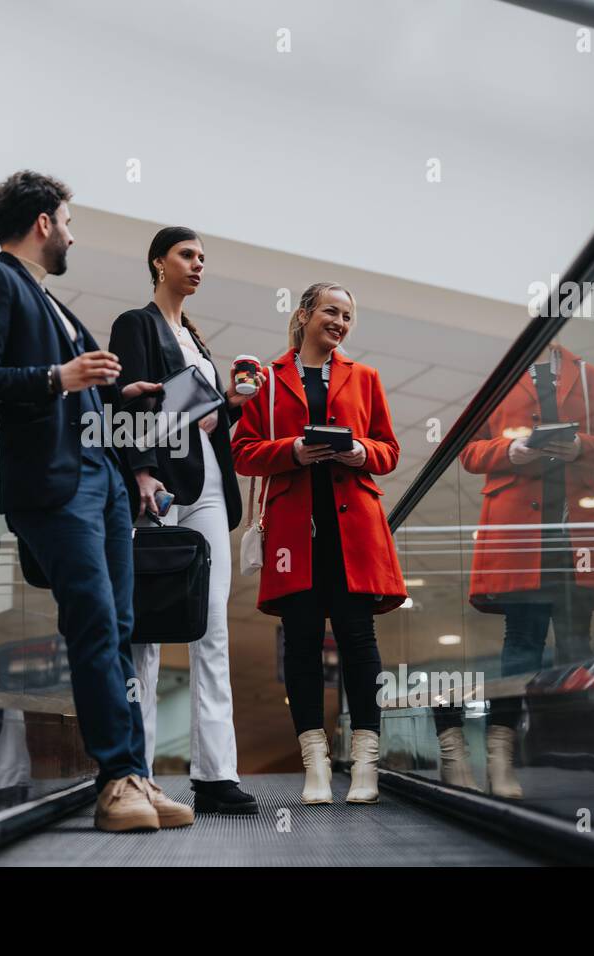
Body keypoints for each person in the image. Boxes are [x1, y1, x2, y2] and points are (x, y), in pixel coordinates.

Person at [0, 170, 193, 832]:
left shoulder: (55, 305)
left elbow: (80, 392)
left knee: (115, 626)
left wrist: (122, 395)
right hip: (55, 485)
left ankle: (131, 772)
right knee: (91, 620)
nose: (73, 235)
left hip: (103, 477)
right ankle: (114, 781)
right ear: (44, 223)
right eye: (70, 223)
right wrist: (60, 376)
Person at [231, 282, 406, 805]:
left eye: (348, 316)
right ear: (305, 314)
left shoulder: (366, 377)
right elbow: (244, 453)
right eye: (331, 312)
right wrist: (295, 452)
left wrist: (359, 452)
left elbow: (389, 451)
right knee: (302, 644)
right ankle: (316, 766)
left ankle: (367, 765)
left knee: (358, 643)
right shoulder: (265, 379)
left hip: (354, 529)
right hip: (294, 533)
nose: (340, 322)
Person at [107, 226, 258, 815]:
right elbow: (126, 400)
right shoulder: (136, 324)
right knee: (145, 633)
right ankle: (136, 773)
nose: (198, 265)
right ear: (158, 262)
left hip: (212, 490)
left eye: (203, 258)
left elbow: (204, 421)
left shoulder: (195, 338)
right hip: (163, 488)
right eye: (187, 255)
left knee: (212, 628)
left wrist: (233, 408)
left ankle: (216, 775)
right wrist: (142, 472)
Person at [437, 341, 594, 799]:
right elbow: (467, 451)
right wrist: (511, 450)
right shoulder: (500, 374)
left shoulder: (588, 375)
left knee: (575, 643)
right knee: (523, 641)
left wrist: (580, 444)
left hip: (573, 529)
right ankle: (501, 758)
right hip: (520, 531)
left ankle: (573, 752)